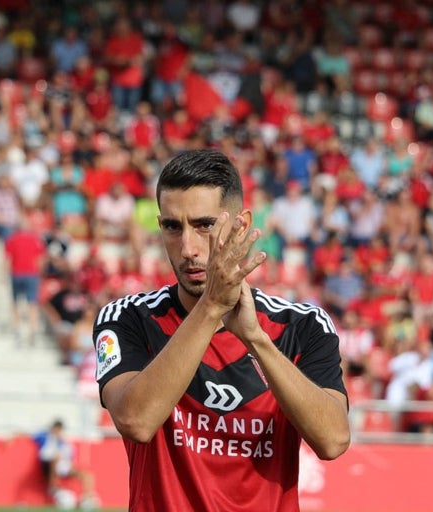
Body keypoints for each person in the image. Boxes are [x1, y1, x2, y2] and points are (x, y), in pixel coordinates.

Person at [93, 149, 349, 511]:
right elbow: (136, 421)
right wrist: (212, 308)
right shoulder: (127, 318)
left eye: (204, 225)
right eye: (172, 226)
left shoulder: (301, 325)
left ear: (241, 226)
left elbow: (334, 440)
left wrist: (256, 339)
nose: (187, 248)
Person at [34, 419, 98, 509]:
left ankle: (87, 498)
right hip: (48, 465)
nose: (57, 431)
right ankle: (54, 487)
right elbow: (29, 435)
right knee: (55, 459)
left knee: (87, 475)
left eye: (59, 429)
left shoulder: (64, 443)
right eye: (56, 429)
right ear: (53, 428)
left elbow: (70, 459)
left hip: (63, 467)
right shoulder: (44, 436)